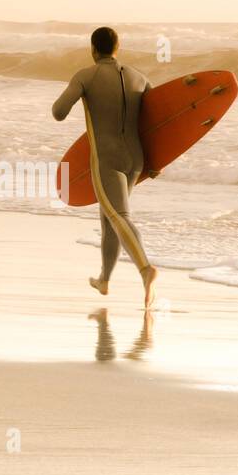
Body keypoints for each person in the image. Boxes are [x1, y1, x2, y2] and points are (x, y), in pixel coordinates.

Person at [52, 27, 158, 310]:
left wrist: (83, 93)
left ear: (92, 49)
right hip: (136, 159)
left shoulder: (86, 75)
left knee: (118, 215)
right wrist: (156, 163)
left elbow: (58, 112)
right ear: (117, 47)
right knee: (109, 217)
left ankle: (146, 269)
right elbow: (156, 122)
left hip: (107, 159)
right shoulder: (140, 77)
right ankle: (105, 279)